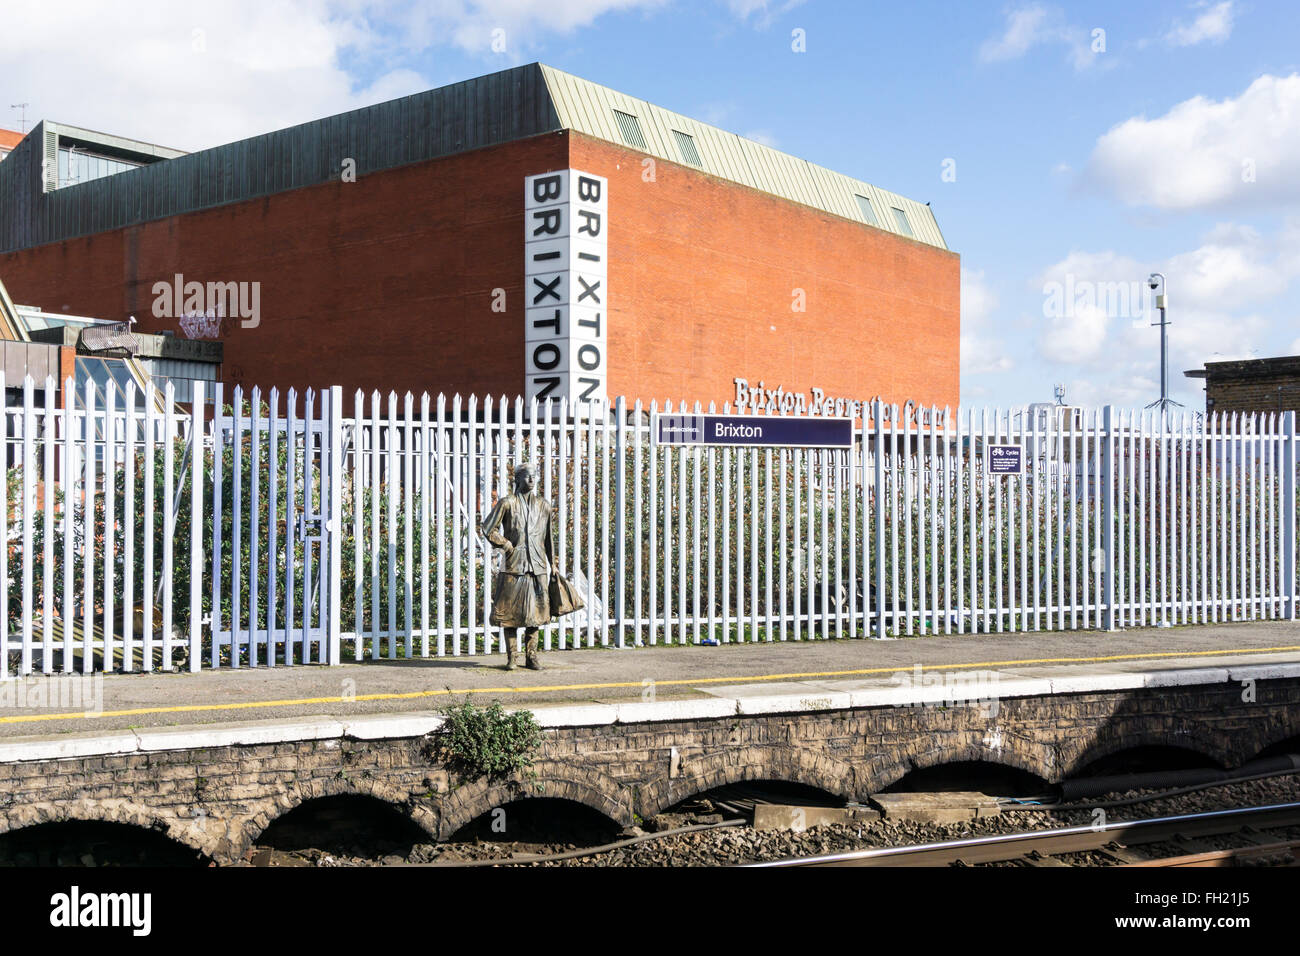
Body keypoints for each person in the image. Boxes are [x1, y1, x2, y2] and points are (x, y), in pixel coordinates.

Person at [480, 463, 554, 670]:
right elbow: (487, 528)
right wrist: (505, 544)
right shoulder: (507, 503)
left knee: (535, 615)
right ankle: (512, 657)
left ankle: (532, 656)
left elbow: (549, 538)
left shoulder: (544, 505)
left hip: (537, 565)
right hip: (514, 565)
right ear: (518, 479)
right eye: (527, 476)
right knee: (508, 615)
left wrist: (553, 564)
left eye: (534, 476)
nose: (531, 480)